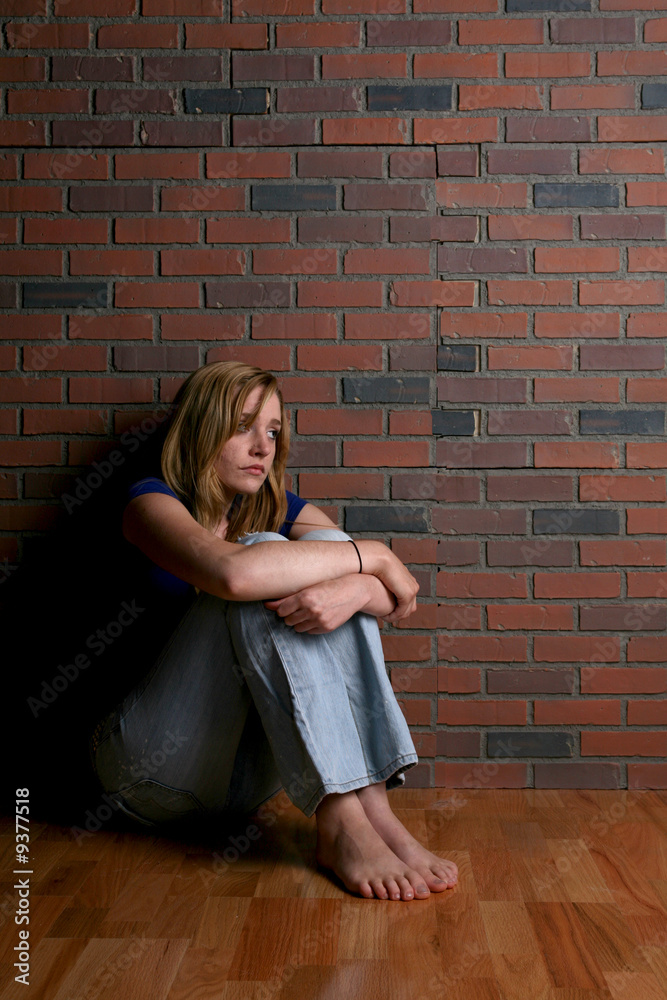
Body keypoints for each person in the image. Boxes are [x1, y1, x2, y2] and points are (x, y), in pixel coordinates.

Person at [89, 361, 458, 901]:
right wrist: (375, 557)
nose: (263, 447)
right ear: (200, 427)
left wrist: (355, 585)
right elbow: (235, 574)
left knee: (329, 555)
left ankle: (375, 811)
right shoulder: (148, 503)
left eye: (273, 431)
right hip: (147, 772)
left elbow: (393, 599)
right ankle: (341, 825)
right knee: (269, 557)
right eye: (242, 426)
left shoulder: (277, 508)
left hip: (243, 785)